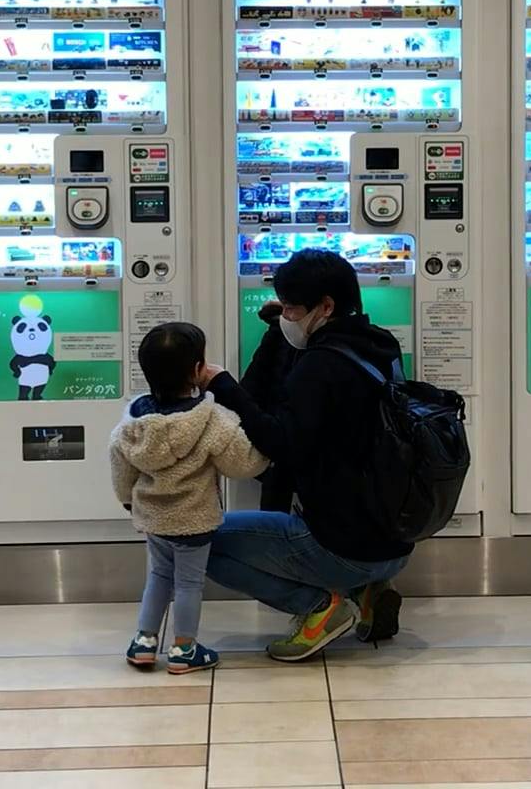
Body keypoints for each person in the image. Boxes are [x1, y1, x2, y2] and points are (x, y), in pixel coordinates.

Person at [205, 249, 411, 661]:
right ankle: (368, 592)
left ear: (326, 306)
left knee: (198, 541)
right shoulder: (381, 345)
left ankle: (319, 609)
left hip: (343, 545)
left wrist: (224, 385)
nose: (288, 318)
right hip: (396, 541)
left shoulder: (319, 366)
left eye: (294, 309)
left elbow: (280, 444)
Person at [109, 322, 270, 674]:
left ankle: (144, 642)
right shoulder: (211, 420)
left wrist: (127, 500)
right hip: (195, 521)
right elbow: (244, 463)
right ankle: (184, 648)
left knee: (159, 577)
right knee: (188, 583)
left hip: (153, 520)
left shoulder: (134, 421)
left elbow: (120, 466)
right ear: (198, 370)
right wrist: (269, 450)